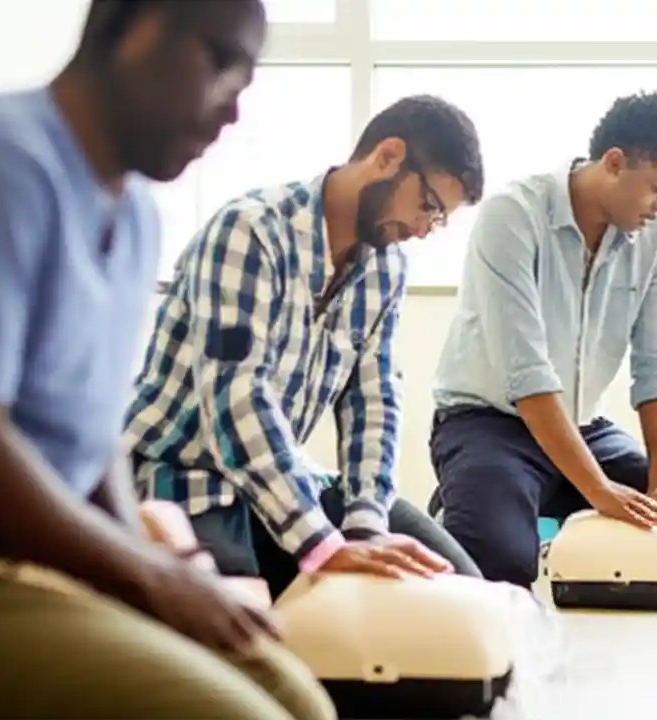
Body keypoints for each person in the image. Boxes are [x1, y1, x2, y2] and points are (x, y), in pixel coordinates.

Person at [0, 2, 339, 718]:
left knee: (296, 696)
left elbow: (94, 450)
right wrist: (147, 578)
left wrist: (168, 569)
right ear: (138, 26)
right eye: (221, 62)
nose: (233, 112)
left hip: (14, 565)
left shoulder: (138, 220)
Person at [123, 94, 487, 601]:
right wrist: (321, 544)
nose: (425, 231)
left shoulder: (386, 267)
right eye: (428, 206)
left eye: (440, 220)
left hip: (284, 480)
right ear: (387, 157)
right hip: (186, 475)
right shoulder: (250, 233)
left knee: (460, 588)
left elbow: (373, 400)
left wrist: (365, 526)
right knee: (239, 621)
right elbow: (236, 398)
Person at [427, 91, 657, 589]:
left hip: (585, 428)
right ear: (615, 162)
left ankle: (540, 499)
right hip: (491, 424)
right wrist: (598, 491)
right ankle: (476, 500)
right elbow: (527, 377)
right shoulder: (513, 216)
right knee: (502, 565)